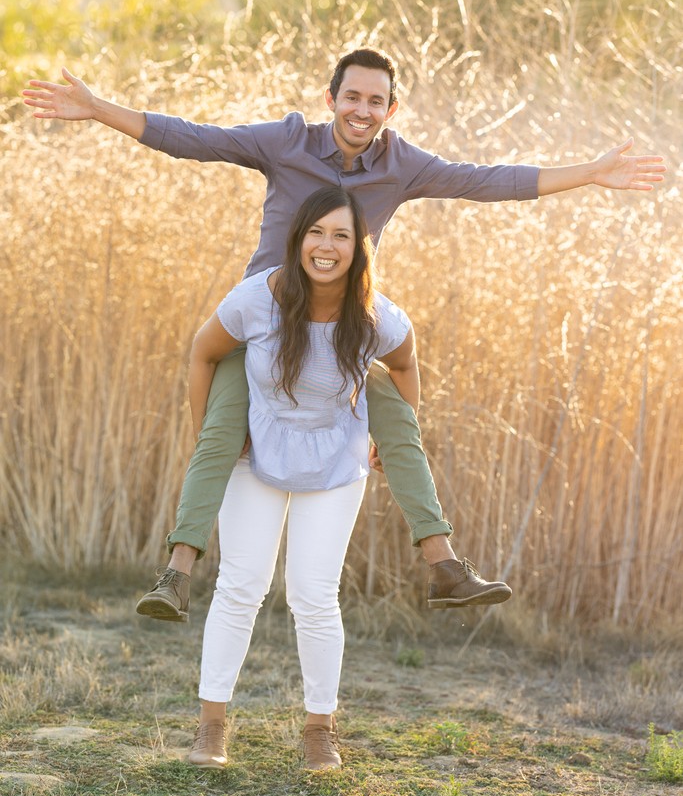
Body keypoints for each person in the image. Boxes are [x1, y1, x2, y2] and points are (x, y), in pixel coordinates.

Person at [23, 49, 666, 621]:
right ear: (330, 99)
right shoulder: (287, 142)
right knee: (220, 428)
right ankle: (177, 573)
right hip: (267, 322)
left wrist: (589, 172)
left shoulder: (401, 164)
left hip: (343, 327)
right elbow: (195, 138)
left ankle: (444, 566)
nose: (362, 110)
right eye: (351, 97)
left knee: (396, 410)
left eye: (375, 101)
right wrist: (98, 109)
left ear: (391, 109)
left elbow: (486, 180)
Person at [186, 184, 419, 770]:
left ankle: (320, 730)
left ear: (358, 248)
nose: (326, 246)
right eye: (316, 232)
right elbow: (203, 352)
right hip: (256, 457)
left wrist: (391, 442)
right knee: (240, 586)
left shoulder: (375, 314)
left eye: (341, 235)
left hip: (336, 461)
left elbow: (405, 362)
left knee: (314, 595)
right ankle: (211, 728)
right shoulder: (257, 299)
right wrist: (212, 436)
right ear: (297, 240)